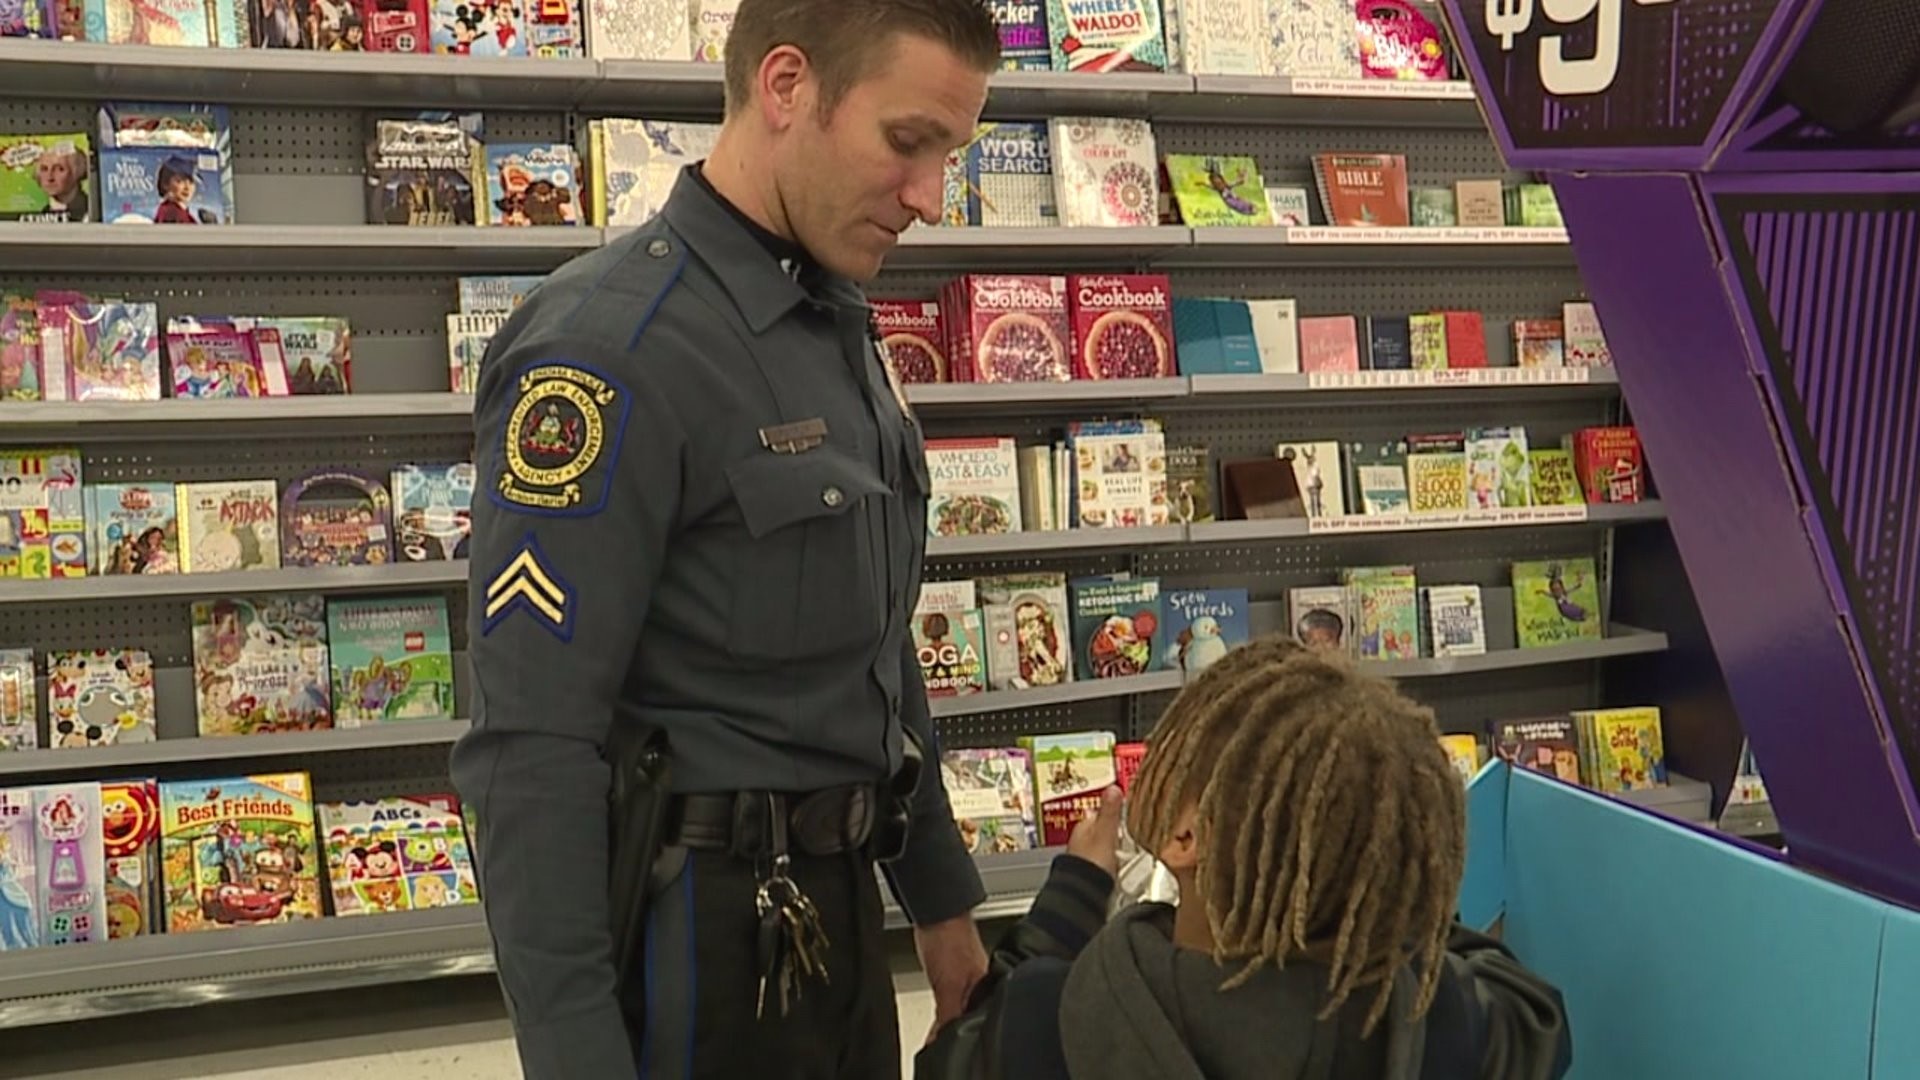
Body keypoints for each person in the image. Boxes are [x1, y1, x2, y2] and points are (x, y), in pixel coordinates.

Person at [449, 2, 1004, 1078]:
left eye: (951, 154)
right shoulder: (608, 351)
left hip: (837, 921)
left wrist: (939, 899)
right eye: (907, 142)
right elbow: (528, 750)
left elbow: (875, 644)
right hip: (695, 946)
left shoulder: (833, 323)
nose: (931, 197)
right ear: (786, 86)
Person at [917, 636, 1574, 1080]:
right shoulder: (1447, 1026)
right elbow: (1532, 1009)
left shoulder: (1046, 1019)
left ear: (1185, 839)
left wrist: (1070, 898)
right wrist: (1380, 885)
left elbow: (953, 1050)